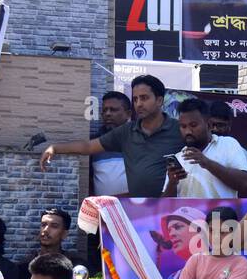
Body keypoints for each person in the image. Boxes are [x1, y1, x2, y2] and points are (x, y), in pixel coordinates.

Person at [40, 75, 182, 198]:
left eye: (144, 98)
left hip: (172, 207)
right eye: (135, 99)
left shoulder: (179, 129)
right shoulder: (126, 132)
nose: (138, 104)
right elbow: (88, 146)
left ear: (159, 100)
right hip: (136, 210)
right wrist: (55, 148)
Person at [163, 98, 247, 198]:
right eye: (183, 126)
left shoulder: (228, 144)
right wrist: (172, 183)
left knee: (216, 214)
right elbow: (164, 206)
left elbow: (245, 184)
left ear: (209, 125)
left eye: (193, 125)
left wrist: (207, 163)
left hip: (218, 213)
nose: (188, 131)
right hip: (185, 213)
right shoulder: (179, 158)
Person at [90, 91, 132, 197]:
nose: (108, 113)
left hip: (133, 207)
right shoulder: (94, 143)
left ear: (128, 114)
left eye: (113, 110)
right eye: (104, 110)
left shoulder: (139, 140)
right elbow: (89, 178)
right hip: (103, 209)